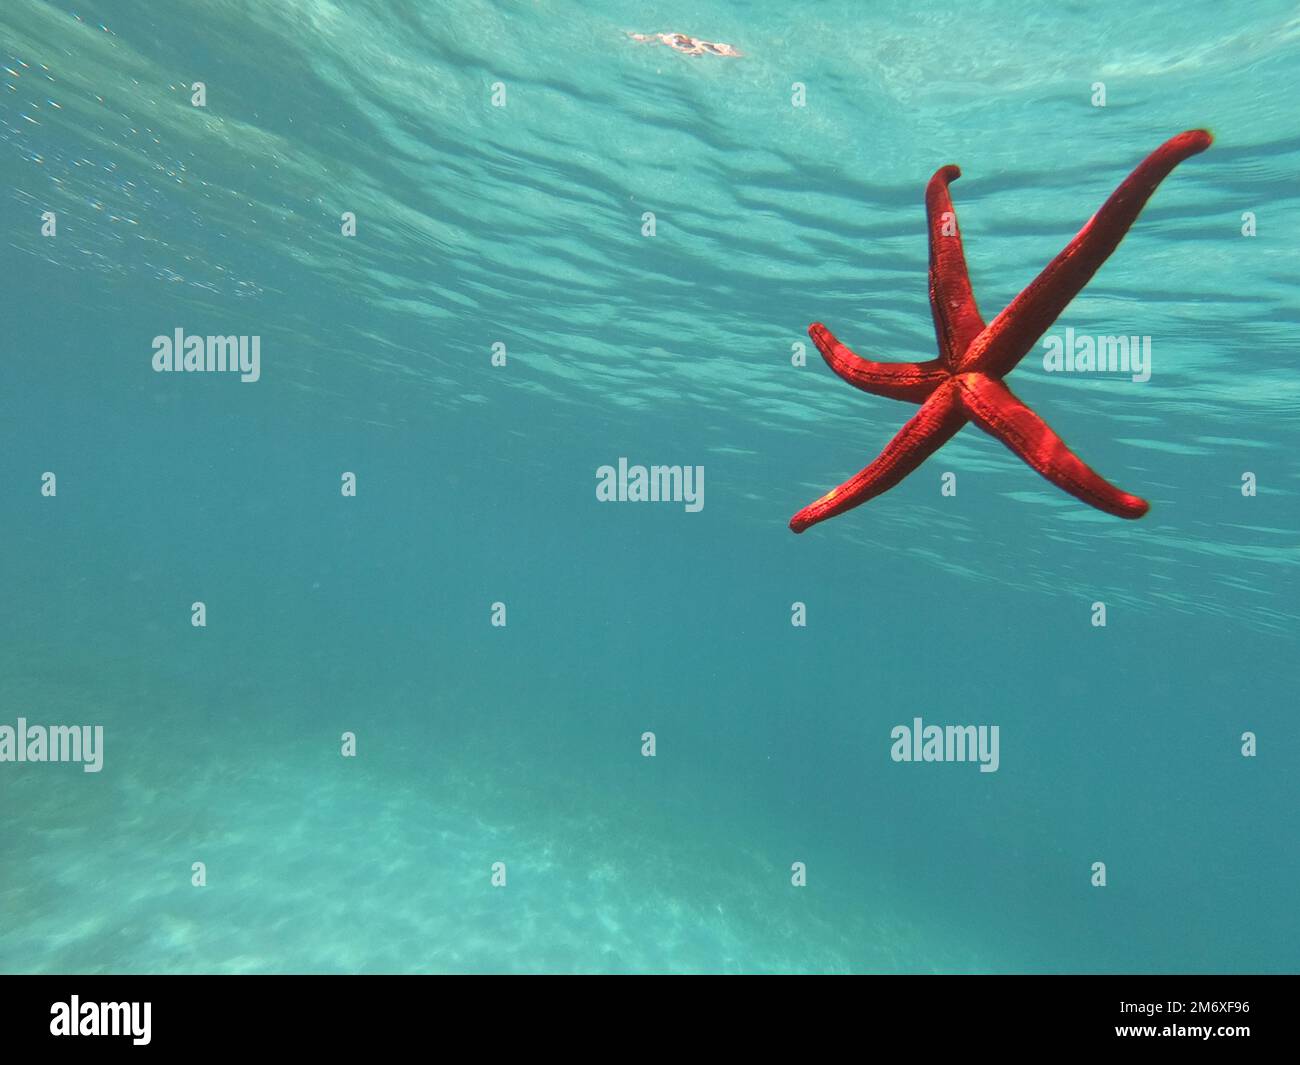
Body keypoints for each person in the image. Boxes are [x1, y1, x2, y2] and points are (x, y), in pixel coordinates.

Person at [628, 31, 742, 57]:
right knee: (704, 46)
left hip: (694, 44)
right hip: (694, 44)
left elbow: (685, 43)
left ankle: (727, 51)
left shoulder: (671, 39)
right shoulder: (671, 39)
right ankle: (727, 51)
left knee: (704, 46)